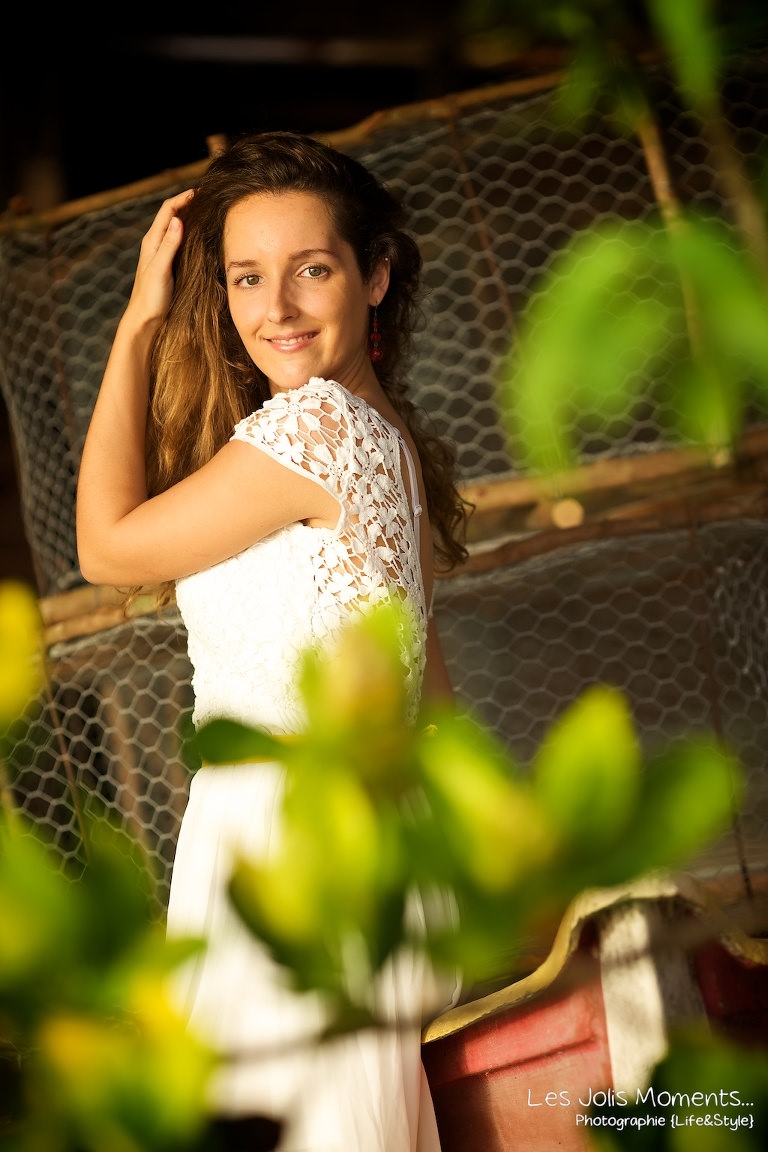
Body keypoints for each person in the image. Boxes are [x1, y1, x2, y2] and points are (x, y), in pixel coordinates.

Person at [76, 130, 469, 1151]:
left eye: (313, 269)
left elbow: (106, 548)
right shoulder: (392, 445)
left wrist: (136, 326)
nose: (276, 308)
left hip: (295, 848)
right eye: (247, 277)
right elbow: (438, 700)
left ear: (376, 276)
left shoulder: (316, 432)